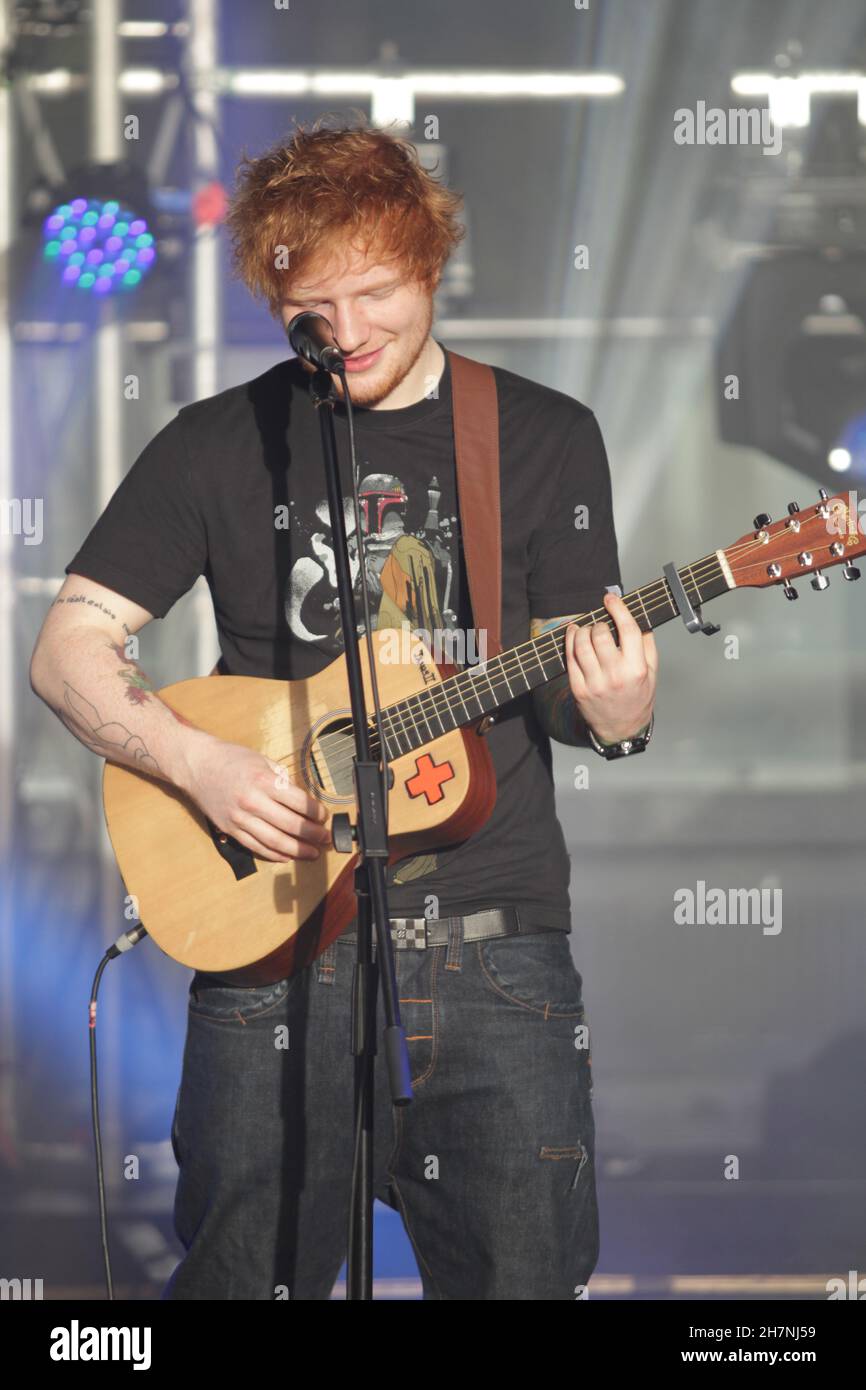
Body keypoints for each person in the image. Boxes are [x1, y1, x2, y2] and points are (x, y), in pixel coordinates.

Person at [29, 117, 658, 1300]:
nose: (350, 332)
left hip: (494, 952)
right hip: (270, 940)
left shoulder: (540, 438)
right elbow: (68, 647)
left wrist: (616, 711)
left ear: (429, 266)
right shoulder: (217, 444)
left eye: (376, 293)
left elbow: (579, 695)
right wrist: (194, 764)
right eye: (314, 307)